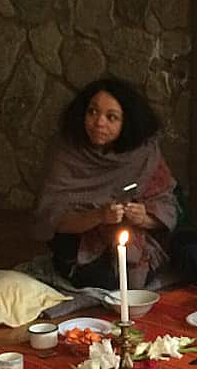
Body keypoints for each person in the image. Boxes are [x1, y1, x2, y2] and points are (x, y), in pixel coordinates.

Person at [31, 77, 178, 288]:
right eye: (92, 112)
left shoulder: (144, 153)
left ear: (127, 122)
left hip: (132, 240)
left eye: (111, 117)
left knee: (141, 270)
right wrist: (99, 216)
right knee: (106, 281)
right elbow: (53, 217)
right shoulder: (65, 151)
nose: (99, 122)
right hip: (79, 240)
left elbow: (167, 205)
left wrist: (144, 217)